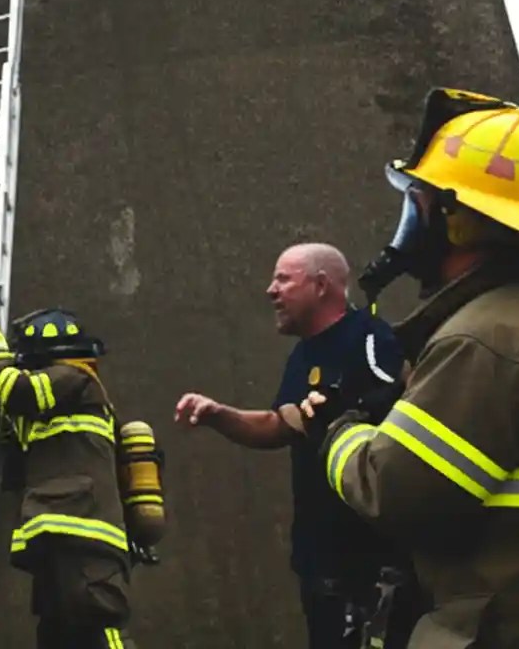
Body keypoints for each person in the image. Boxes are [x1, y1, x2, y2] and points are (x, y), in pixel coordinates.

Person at [319, 87, 519, 648]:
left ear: (456, 220)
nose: (408, 221)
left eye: (418, 201)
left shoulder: (486, 341)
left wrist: (341, 432)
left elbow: (397, 496)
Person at [174, 243, 423, 649]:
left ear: (321, 285)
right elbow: (280, 426)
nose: (271, 290)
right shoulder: (302, 355)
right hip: (318, 561)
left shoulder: (370, 340)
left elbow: (408, 407)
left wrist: (355, 411)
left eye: (283, 279)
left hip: (370, 564)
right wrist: (218, 414)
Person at [0, 307, 140, 649]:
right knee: (57, 634)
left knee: (98, 623)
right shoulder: (54, 402)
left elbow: (18, 393)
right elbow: (15, 462)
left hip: (83, 530)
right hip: (57, 531)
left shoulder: (74, 378)